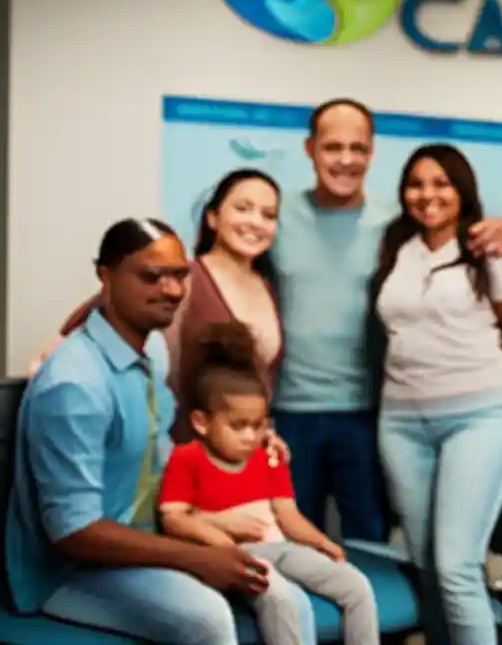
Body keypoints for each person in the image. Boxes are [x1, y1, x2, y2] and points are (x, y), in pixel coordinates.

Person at [5, 218, 312, 645]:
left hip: (152, 533)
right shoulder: (75, 384)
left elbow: (160, 455)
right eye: (151, 276)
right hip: (72, 569)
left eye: (179, 275)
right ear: (106, 276)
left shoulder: (152, 348)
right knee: (208, 619)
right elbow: (74, 532)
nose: (171, 289)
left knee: (290, 600)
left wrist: (243, 447)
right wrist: (196, 558)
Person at [267, 98, 502, 541]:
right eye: (332, 147)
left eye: (357, 148)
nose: (345, 160)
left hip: (370, 411)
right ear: (310, 149)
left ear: (372, 152)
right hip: (290, 412)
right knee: (291, 542)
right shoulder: (277, 217)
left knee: (373, 542)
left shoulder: (399, 224)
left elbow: (466, 234)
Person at [370, 144, 502, 645]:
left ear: (463, 190)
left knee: (456, 566)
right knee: (426, 564)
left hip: (479, 417)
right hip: (402, 423)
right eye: (416, 184)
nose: (427, 195)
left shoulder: (493, 253)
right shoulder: (398, 248)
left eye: (441, 183)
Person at [159, 321, 378, 645]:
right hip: (235, 556)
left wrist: (321, 542)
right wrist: (223, 542)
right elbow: (173, 518)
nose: (250, 436)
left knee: (356, 586)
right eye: (238, 426)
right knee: (280, 598)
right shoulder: (187, 457)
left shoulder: (268, 455)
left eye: (258, 424)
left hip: (280, 548)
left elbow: (287, 514)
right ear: (201, 422)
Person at [36, 168, 286, 447]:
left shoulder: (269, 286)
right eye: (243, 208)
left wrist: (262, 430)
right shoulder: (183, 277)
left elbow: (255, 381)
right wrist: (59, 350)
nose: (255, 222)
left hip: (241, 454)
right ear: (213, 217)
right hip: (181, 449)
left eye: (268, 215)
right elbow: (105, 305)